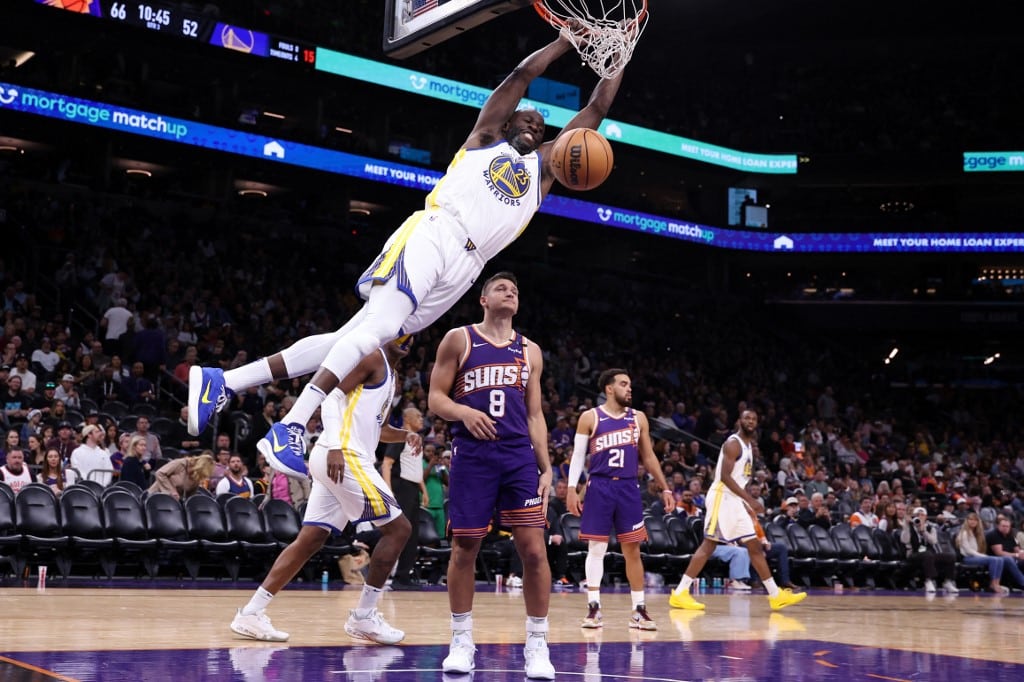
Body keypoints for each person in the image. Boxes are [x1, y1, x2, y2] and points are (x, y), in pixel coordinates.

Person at [187, 30, 629, 482]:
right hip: (436, 231)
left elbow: (595, 110)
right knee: (377, 330)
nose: (535, 126)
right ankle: (292, 425)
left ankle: (226, 381)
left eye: (541, 127)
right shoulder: (485, 137)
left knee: (353, 337)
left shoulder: (545, 170)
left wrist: (619, 57)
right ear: (508, 120)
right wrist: (563, 42)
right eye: (527, 119)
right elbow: (520, 75)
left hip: (467, 267)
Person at [230, 338, 414, 644]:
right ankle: (364, 616)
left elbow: (377, 429)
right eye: (403, 331)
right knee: (399, 530)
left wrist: (406, 435)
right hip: (343, 456)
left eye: (413, 334)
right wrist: (337, 447)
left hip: (335, 457)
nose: (408, 338)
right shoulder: (371, 357)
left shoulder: (392, 375)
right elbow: (330, 396)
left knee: (310, 540)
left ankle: (251, 612)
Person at [427, 272, 555, 678]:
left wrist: (546, 465)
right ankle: (461, 640)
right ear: (483, 299)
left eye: (514, 289)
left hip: (517, 455)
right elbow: (435, 398)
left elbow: (534, 414)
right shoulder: (459, 339)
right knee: (465, 546)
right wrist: (464, 412)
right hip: (473, 455)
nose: (510, 291)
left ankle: (537, 644)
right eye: (501, 288)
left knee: (534, 550)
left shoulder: (531, 351)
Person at [566, 368, 674, 631]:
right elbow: (578, 456)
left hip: (628, 487)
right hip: (599, 485)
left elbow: (649, 456)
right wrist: (571, 488)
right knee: (596, 547)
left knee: (632, 549)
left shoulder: (638, 418)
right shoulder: (590, 417)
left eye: (630, 384)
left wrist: (665, 488)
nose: (629, 388)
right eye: (624, 384)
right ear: (609, 388)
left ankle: (639, 609)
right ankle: (593, 607)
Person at [668, 410, 806, 612]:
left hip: (734, 500)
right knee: (709, 545)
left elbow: (741, 479)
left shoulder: (749, 446)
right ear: (739, 421)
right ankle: (680, 593)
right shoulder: (733, 444)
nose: (750, 421)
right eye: (747, 418)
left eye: (754, 418)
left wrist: (745, 502)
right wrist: (749, 499)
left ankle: (775, 595)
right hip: (721, 497)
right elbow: (725, 477)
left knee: (754, 546)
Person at [380, 406, 427, 589]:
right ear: (407, 419)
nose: (422, 419)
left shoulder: (417, 439)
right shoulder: (401, 437)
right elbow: (386, 464)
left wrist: (424, 491)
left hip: (413, 488)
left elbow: (415, 468)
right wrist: (388, 491)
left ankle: (404, 576)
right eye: (418, 416)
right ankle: (391, 575)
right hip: (401, 488)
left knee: (413, 534)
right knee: (401, 532)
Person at [900, 506, 958, 594]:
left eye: (922, 515)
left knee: (950, 557)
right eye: (917, 515)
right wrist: (907, 526)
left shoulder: (930, 527)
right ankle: (929, 580)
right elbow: (904, 540)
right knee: (927, 554)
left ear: (926, 517)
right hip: (913, 554)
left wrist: (924, 531)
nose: (919, 516)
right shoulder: (909, 526)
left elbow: (933, 541)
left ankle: (948, 581)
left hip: (929, 554)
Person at [957, 512, 1017, 594]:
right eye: (970, 519)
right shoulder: (964, 533)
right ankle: (993, 585)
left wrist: (982, 555)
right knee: (994, 560)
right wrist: (982, 556)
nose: (973, 522)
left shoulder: (977, 533)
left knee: (999, 559)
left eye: (975, 520)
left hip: (976, 557)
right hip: (967, 558)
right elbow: (968, 550)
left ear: (978, 522)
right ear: (966, 521)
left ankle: (995, 583)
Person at [147, 453, 215, 500]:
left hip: (174, 504)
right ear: (199, 468)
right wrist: (171, 491)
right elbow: (160, 473)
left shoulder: (197, 476)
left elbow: (190, 495)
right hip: (156, 497)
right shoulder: (180, 464)